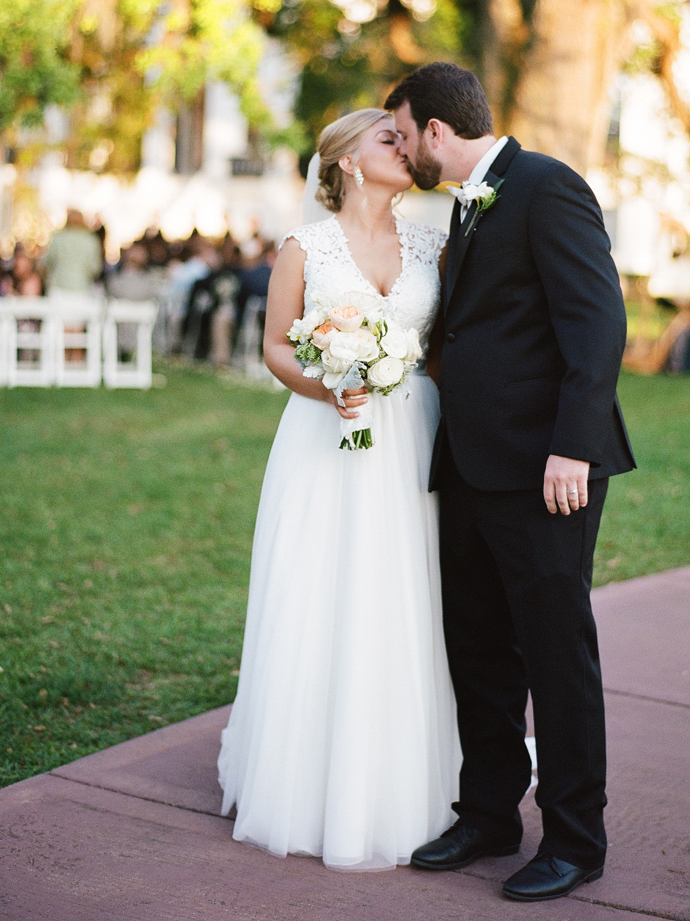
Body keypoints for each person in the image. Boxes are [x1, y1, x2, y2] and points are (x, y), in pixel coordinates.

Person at [387, 62, 634, 902]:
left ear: (434, 131)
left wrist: (573, 446)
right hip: (466, 465)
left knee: (556, 655)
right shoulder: (464, 204)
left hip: (545, 472)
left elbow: (597, 324)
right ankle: (489, 813)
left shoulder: (546, 186)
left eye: (403, 130)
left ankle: (575, 840)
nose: (404, 148)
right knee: (481, 650)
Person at [217, 107, 458, 871]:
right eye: (389, 137)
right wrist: (328, 388)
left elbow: (447, 342)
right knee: (322, 590)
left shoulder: (433, 241)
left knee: (408, 593)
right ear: (347, 159)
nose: (406, 144)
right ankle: (310, 780)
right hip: (327, 436)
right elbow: (276, 348)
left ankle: (407, 775)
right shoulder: (306, 248)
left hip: (412, 433)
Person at [41, 209, 103, 295]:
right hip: (82, 288)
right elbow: (95, 268)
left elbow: (46, 262)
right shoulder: (91, 240)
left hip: (58, 287)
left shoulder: (58, 238)